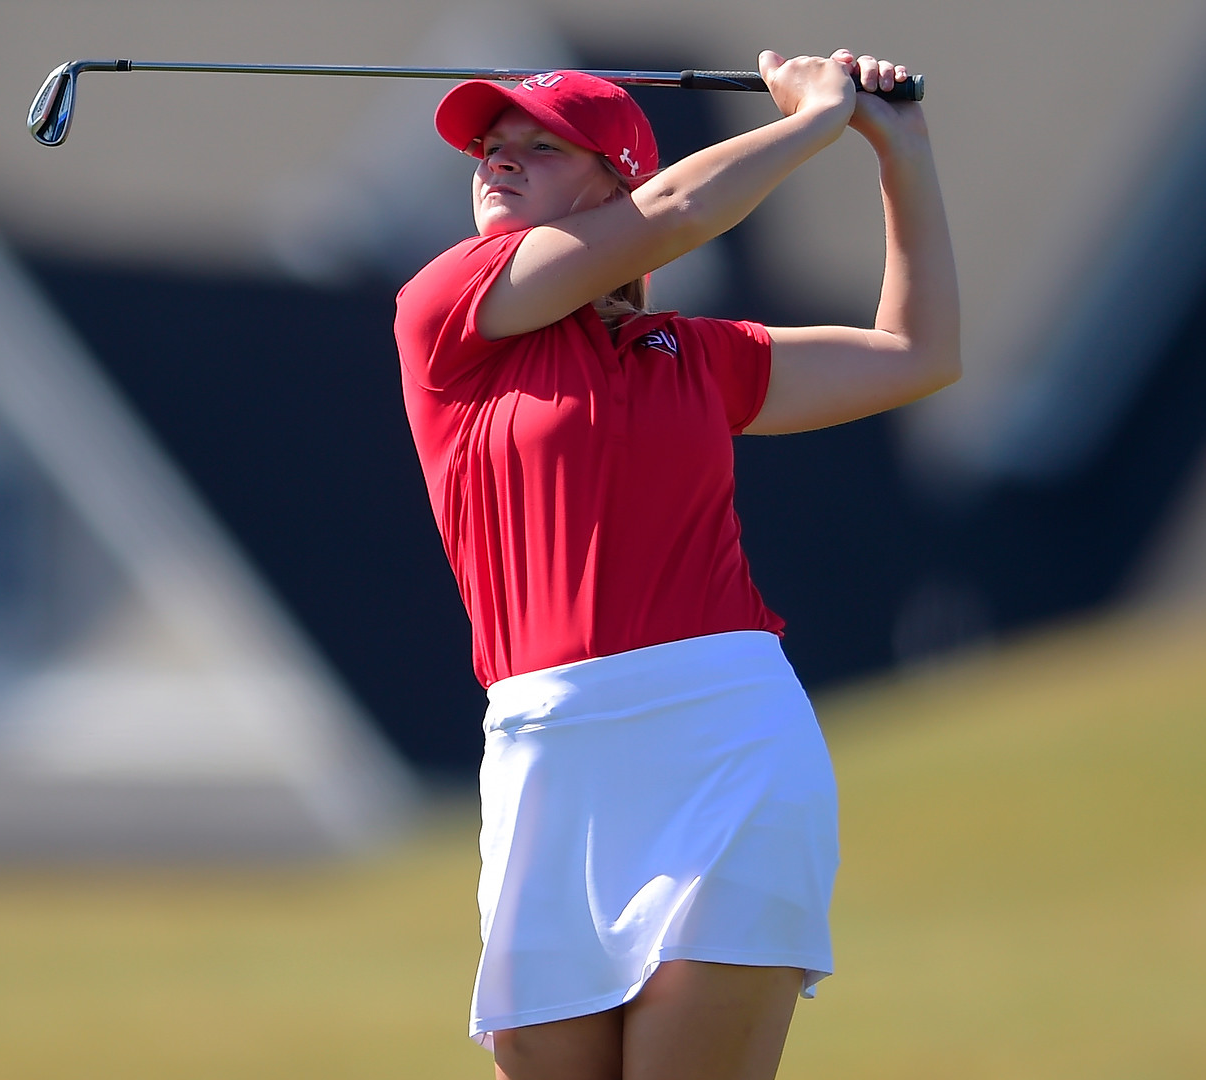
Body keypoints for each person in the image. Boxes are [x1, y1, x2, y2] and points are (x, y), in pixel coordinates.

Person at [392, 48, 959, 1080]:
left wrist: (899, 147)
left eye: (540, 147)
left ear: (611, 182)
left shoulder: (696, 355)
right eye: (491, 147)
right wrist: (811, 120)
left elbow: (917, 354)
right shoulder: (446, 311)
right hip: (545, 759)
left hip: (724, 743)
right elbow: (676, 215)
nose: (498, 162)